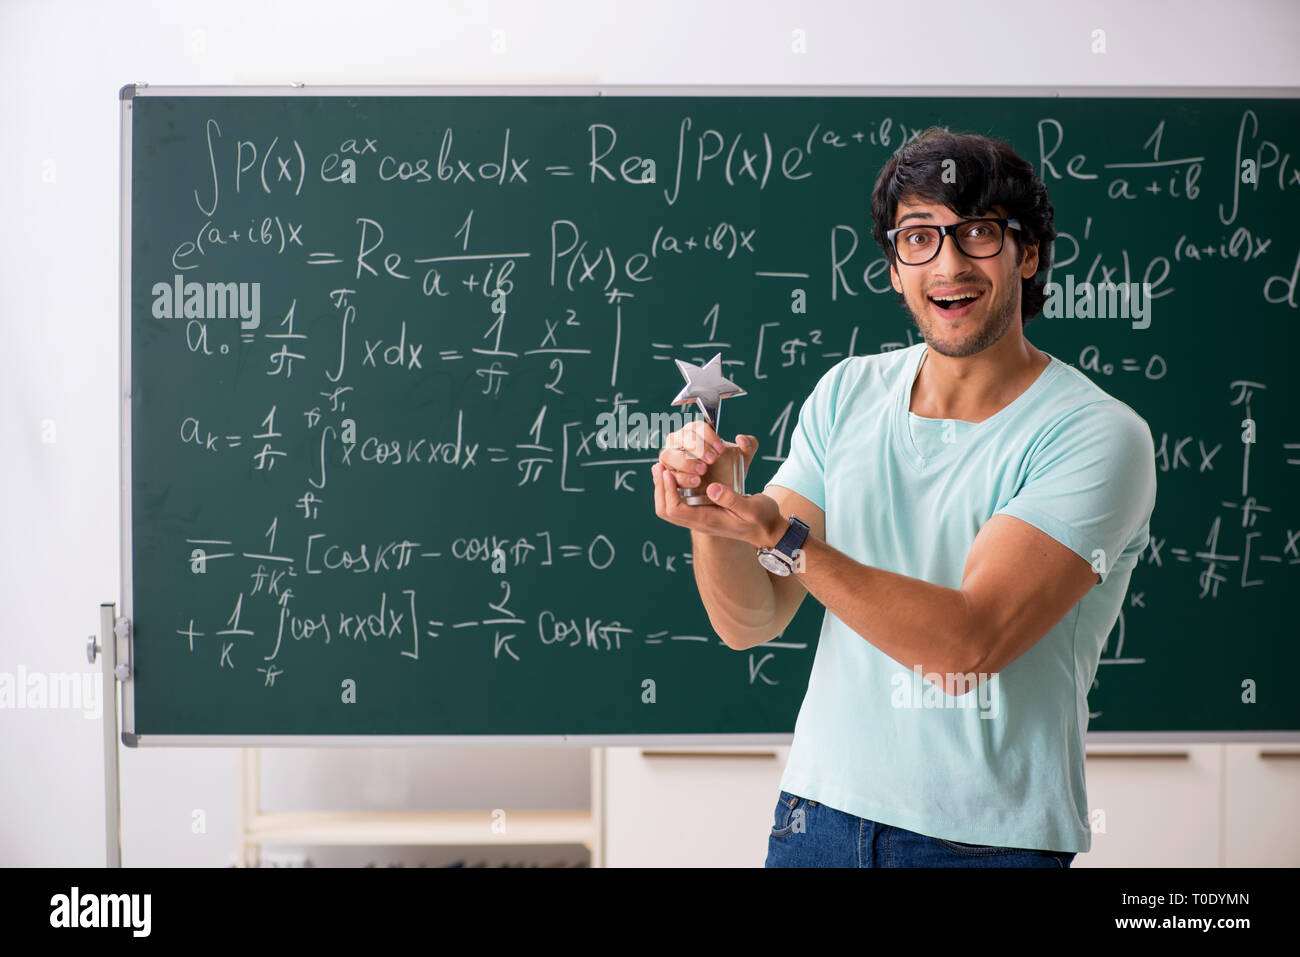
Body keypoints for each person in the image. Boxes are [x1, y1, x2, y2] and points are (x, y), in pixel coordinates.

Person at [650, 127, 1157, 868]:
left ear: (1030, 254)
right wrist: (714, 513)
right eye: (918, 237)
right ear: (894, 267)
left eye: (978, 234)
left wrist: (783, 538)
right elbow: (750, 618)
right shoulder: (847, 393)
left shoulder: (1097, 435)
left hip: (986, 841)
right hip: (816, 818)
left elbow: (967, 644)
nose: (948, 265)